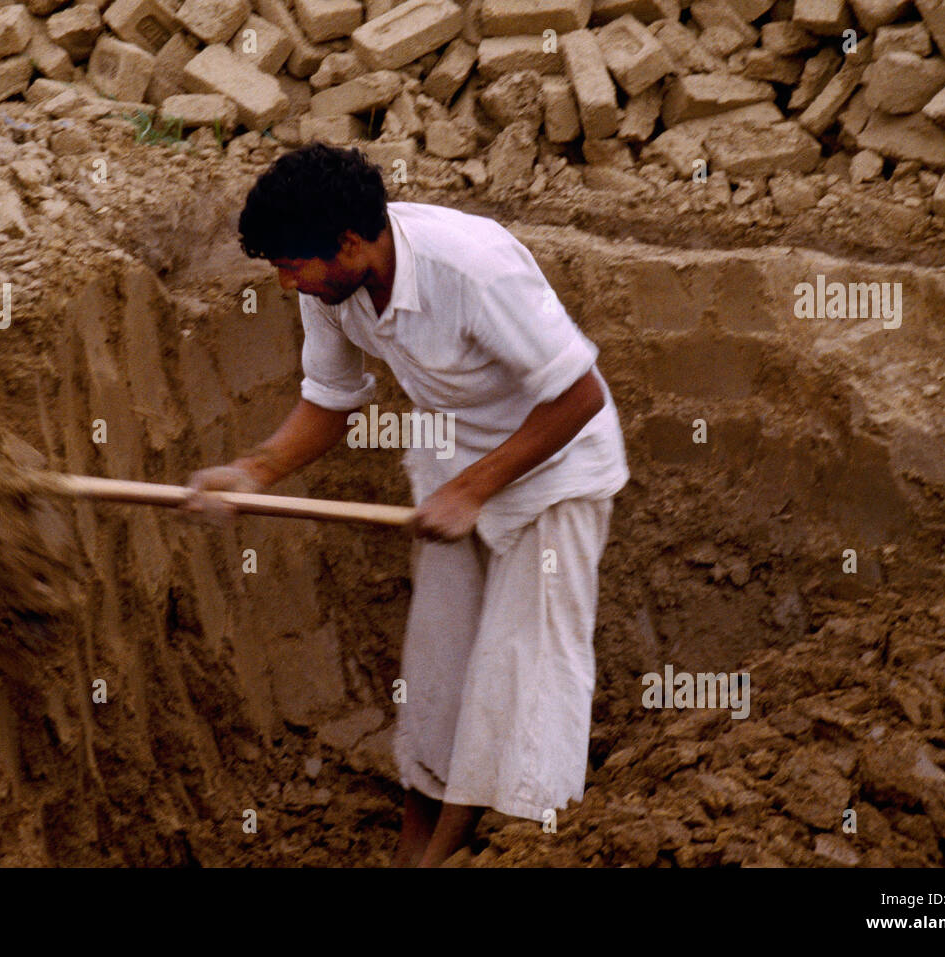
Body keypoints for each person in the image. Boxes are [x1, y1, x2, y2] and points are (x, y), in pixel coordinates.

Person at [187, 143, 629, 867]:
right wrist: (255, 470)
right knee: (440, 666)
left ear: (351, 243)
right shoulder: (327, 288)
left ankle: (516, 845)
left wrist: (476, 489)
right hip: (455, 472)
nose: (284, 280)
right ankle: (416, 849)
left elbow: (580, 395)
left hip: (555, 474)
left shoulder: (473, 269)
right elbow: (330, 400)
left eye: (293, 264)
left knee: (524, 671)